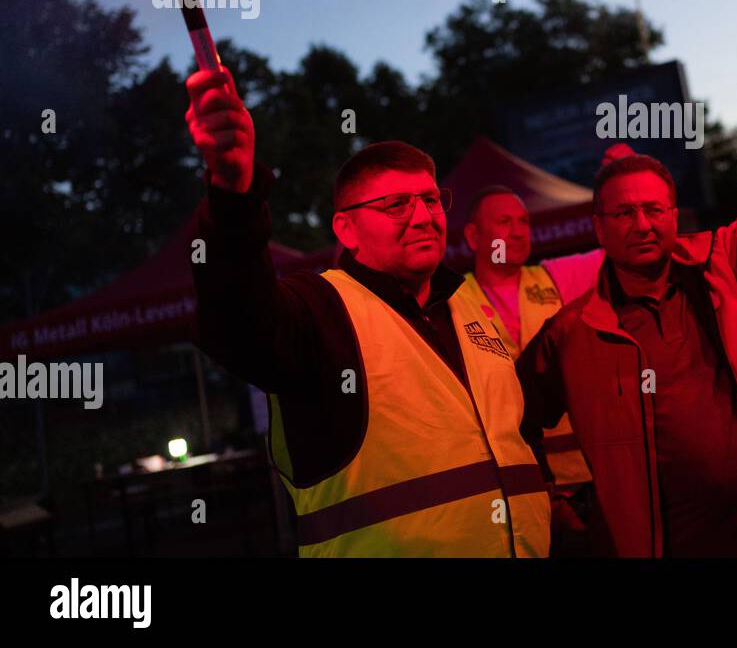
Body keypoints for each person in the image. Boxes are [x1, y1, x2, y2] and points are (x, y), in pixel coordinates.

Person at [516, 25, 737, 557]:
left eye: (655, 209)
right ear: (600, 228)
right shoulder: (568, 335)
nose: (643, 223)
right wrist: (550, 501)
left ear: (673, 215)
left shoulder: (719, 265)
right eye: (625, 212)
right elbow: (508, 425)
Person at [184, 68, 549, 557]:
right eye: (396, 204)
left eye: (430, 199)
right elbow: (236, 317)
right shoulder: (319, 309)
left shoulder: (468, 306)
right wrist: (233, 194)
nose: (423, 216)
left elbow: (514, 435)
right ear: (347, 230)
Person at [457, 175, 612, 554]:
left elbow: (621, 250)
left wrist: (618, 180)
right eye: (504, 222)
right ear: (474, 237)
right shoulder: (452, 300)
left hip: (588, 479)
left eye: (524, 221)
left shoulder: (557, 276)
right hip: (512, 487)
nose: (518, 231)